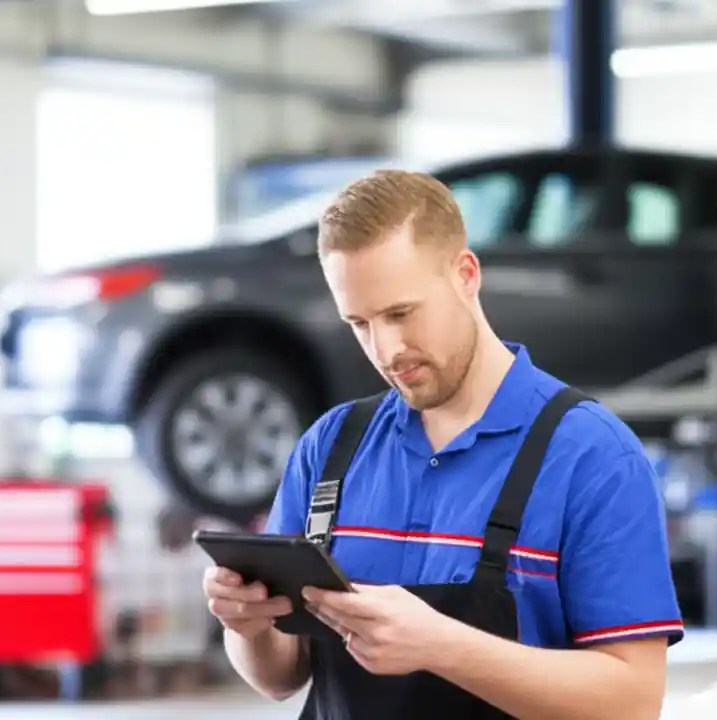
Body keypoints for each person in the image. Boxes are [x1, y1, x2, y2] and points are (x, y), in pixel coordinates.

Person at [201, 170, 683, 719]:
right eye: (359, 323)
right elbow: (281, 678)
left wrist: (441, 645)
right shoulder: (330, 449)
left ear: (466, 274)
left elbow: (632, 702)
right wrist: (249, 626)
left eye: (401, 313)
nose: (387, 349)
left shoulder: (593, 458)